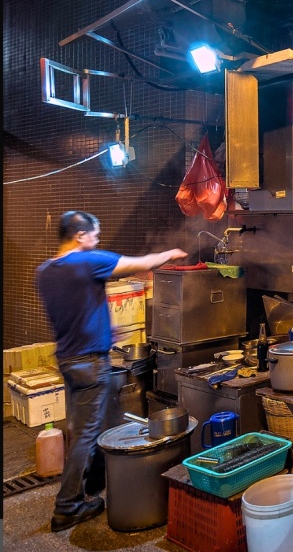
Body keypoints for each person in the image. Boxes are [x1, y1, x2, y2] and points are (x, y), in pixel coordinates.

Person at [36, 211, 187, 532]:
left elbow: (76, 308)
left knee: (79, 429)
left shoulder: (45, 272)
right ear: (79, 235)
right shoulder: (87, 261)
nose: (97, 240)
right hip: (91, 363)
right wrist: (169, 254)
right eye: (94, 234)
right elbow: (141, 263)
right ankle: (67, 507)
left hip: (67, 359)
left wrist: (104, 327)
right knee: (86, 434)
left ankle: (87, 486)